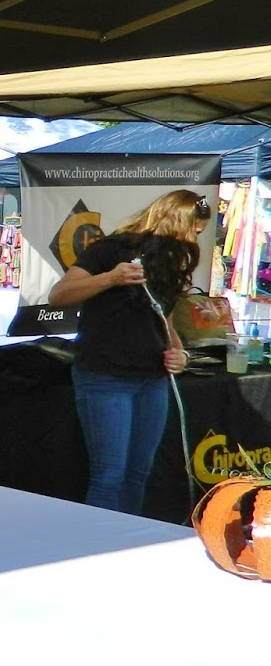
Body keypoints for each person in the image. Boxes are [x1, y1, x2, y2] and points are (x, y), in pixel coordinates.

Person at [47, 189, 209, 514]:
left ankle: (126, 536)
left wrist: (180, 354)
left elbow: (163, 318)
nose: (195, 238)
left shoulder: (170, 260)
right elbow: (59, 295)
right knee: (109, 475)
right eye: (192, 230)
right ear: (173, 222)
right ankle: (97, 540)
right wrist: (110, 278)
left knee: (139, 473)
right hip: (106, 376)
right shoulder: (111, 250)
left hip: (152, 380)